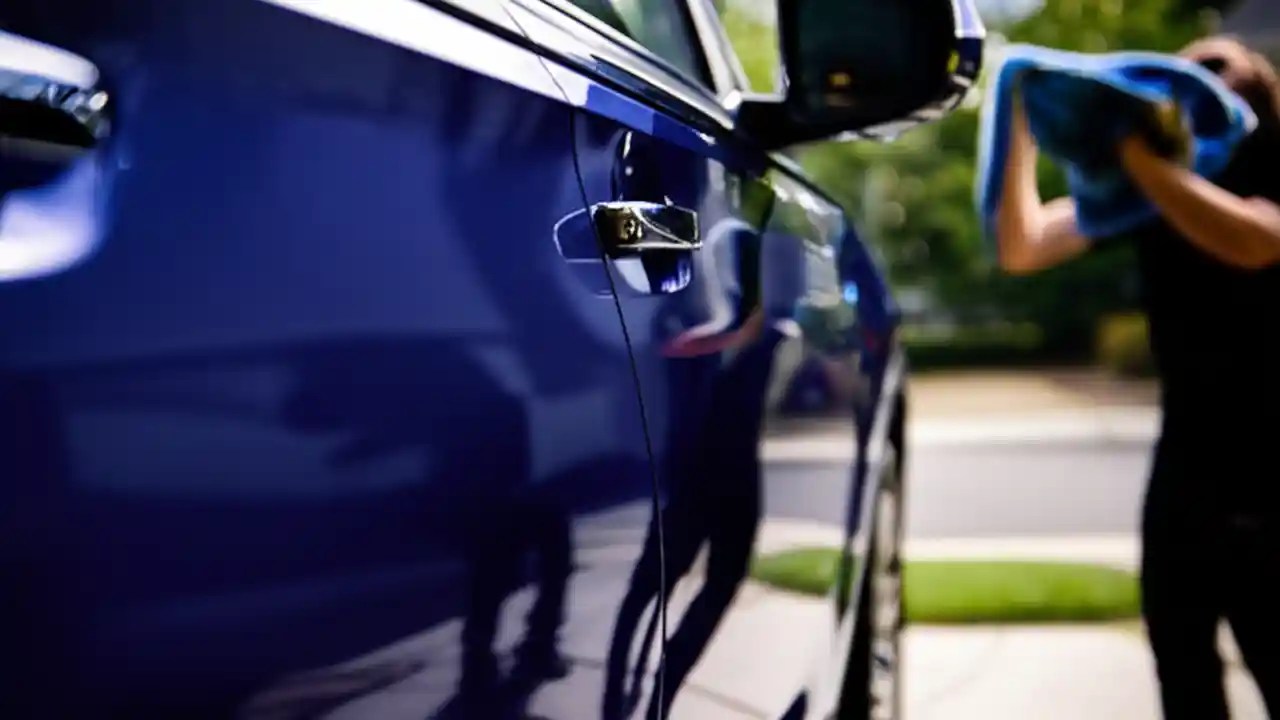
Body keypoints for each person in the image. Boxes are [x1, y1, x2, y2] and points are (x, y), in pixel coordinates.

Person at [994, 36, 1280, 719]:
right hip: (1186, 465)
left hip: (1274, 469)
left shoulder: (1263, 169)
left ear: (1260, 93)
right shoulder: (1150, 193)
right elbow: (1022, 245)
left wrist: (1133, 157)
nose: (1202, 80)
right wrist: (1018, 124)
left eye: (1220, 69)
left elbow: (1254, 241)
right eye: (1189, 72)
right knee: (1183, 668)